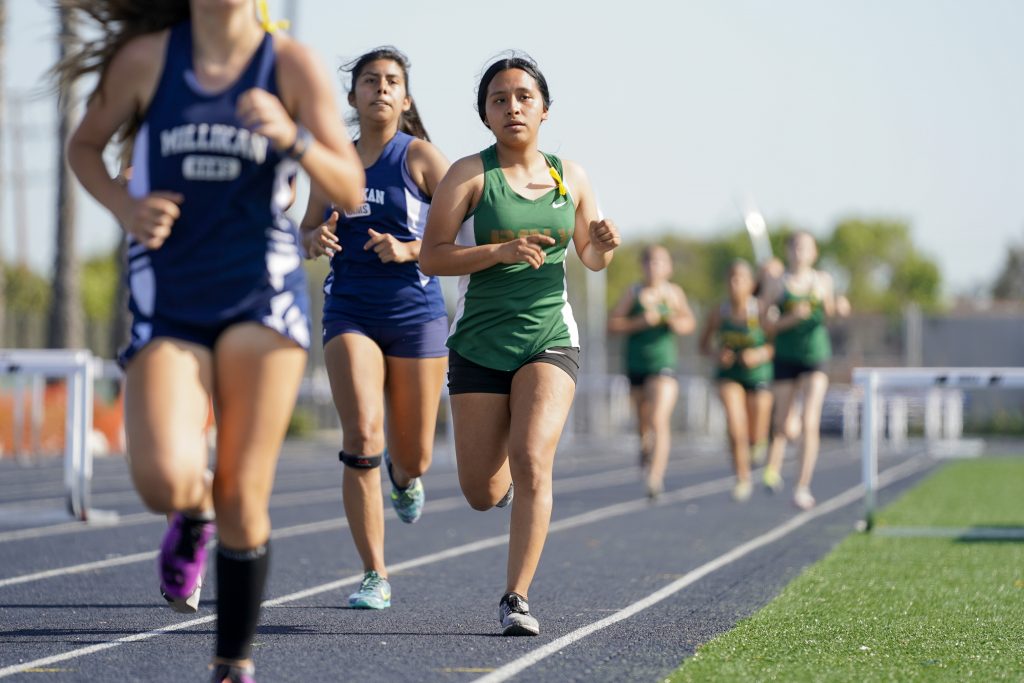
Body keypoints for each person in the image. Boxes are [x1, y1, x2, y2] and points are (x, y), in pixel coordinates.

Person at [60, 1, 365, 680]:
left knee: (243, 492)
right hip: (171, 298)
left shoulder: (288, 65)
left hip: (261, 295)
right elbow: (84, 145)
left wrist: (294, 137)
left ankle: (231, 661)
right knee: (161, 476)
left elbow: (348, 183)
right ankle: (190, 510)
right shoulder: (147, 61)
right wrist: (123, 204)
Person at [419, 53, 621, 636]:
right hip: (480, 343)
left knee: (534, 457)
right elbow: (432, 256)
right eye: (499, 99)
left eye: (523, 97)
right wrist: (497, 252)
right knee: (482, 492)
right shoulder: (468, 175)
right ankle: (502, 484)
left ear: (545, 109)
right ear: (485, 114)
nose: (512, 107)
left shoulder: (570, 176)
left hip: (548, 339)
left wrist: (604, 242)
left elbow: (592, 257)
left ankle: (517, 597)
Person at [299, 46, 449, 610]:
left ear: (405, 98)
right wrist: (313, 239)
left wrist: (409, 248)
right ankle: (373, 574)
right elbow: (306, 229)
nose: (380, 88)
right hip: (351, 310)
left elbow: (461, 238)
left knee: (415, 456)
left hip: (416, 315)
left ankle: (403, 477)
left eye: (391, 81)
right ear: (353, 96)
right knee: (361, 434)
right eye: (370, 80)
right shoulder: (333, 160)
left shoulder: (423, 159)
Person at [759, 231, 850, 510]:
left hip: (815, 356)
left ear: (814, 252)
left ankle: (802, 487)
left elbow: (832, 311)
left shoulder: (823, 281)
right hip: (786, 356)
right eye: (795, 247)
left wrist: (840, 308)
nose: (800, 252)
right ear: (788, 251)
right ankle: (788, 445)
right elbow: (764, 323)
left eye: (805, 247)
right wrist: (789, 319)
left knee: (810, 421)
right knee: (784, 425)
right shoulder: (777, 283)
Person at [607, 245, 695, 499]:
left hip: (663, 366)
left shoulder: (673, 293)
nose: (654, 267)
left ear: (669, 267)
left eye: (659, 262)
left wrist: (672, 321)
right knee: (643, 423)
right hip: (636, 365)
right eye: (650, 262)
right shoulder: (634, 292)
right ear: (643, 266)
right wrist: (640, 322)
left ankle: (655, 478)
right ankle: (645, 446)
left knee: (658, 420)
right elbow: (613, 324)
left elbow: (689, 322)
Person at [699, 260, 773, 501]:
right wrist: (717, 354)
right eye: (731, 278)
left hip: (757, 375)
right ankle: (742, 478)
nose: (735, 284)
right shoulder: (719, 313)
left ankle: (758, 442)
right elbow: (704, 345)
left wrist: (759, 354)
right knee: (735, 423)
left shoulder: (761, 310)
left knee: (756, 427)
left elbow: (776, 344)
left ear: (751, 284)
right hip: (728, 375)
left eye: (740, 278)